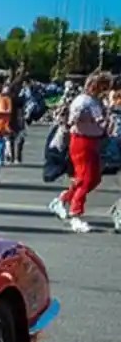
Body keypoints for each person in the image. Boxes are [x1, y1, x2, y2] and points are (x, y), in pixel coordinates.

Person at [50, 71, 113, 233]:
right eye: (104, 87)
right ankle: (75, 215)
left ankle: (64, 199)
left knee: (94, 178)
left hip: (94, 141)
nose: (106, 91)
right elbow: (77, 120)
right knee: (85, 178)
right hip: (81, 141)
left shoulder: (95, 101)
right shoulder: (84, 101)